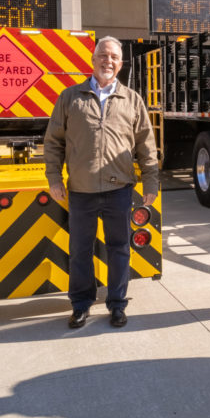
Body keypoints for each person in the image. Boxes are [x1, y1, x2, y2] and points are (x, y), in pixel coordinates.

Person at [45, 36, 158, 330]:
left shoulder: (132, 100)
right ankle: (81, 305)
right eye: (103, 55)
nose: (108, 61)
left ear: (121, 64)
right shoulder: (70, 97)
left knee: (119, 248)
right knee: (80, 249)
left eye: (114, 57)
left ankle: (117, 304)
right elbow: (53, 142)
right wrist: (54, 178)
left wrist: (151, 182)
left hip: (119, 189)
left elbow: (146, 145)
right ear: (93, 60)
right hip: (81, 191)